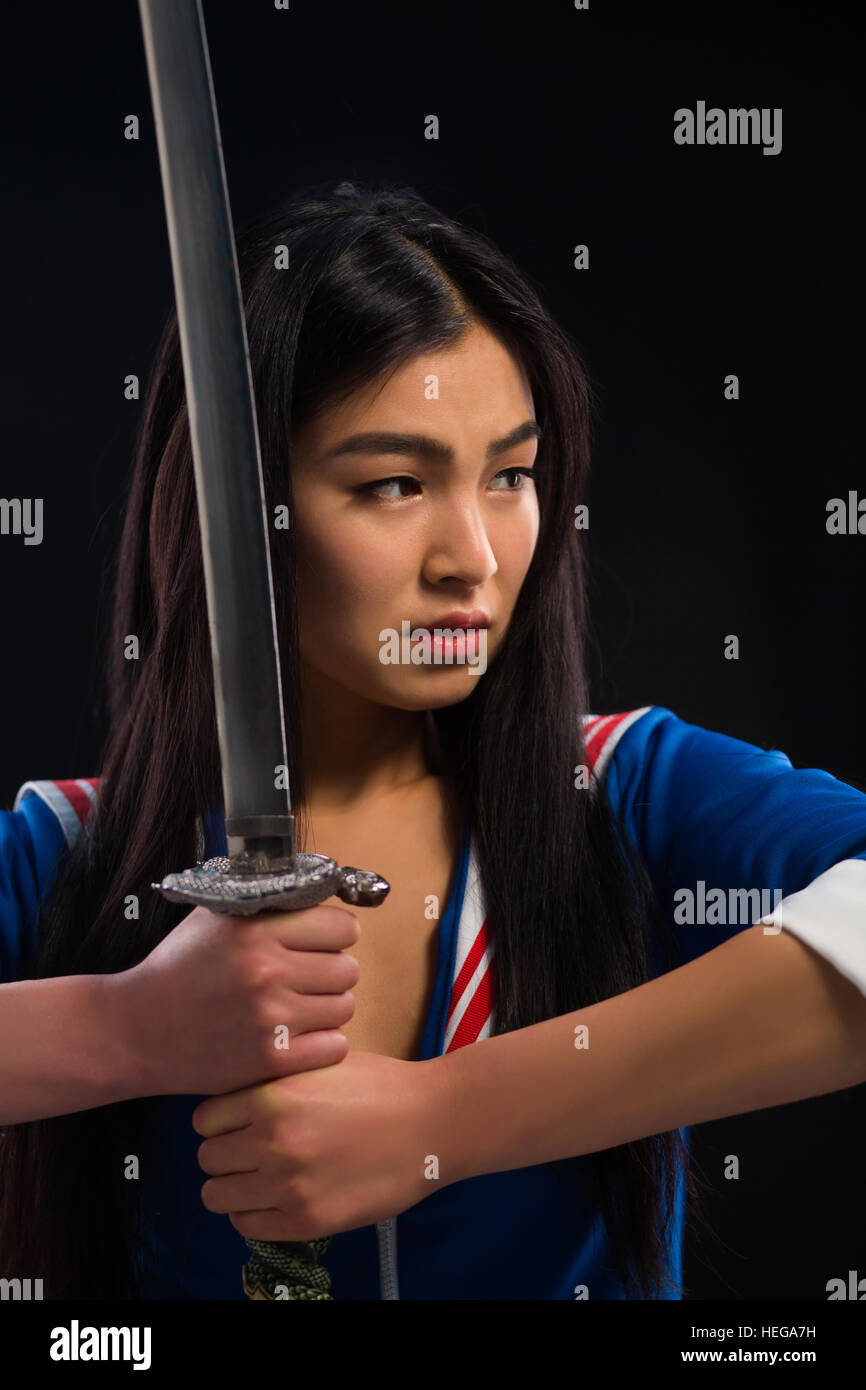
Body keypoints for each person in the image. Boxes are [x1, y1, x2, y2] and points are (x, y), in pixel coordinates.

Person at [1, 181, 865, 1302]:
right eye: (394, 483)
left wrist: (436, 1122)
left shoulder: (625, 789)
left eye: (509, 475)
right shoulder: (70, 851)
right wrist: (126, 1027)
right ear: (233, 513)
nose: (474, 555)